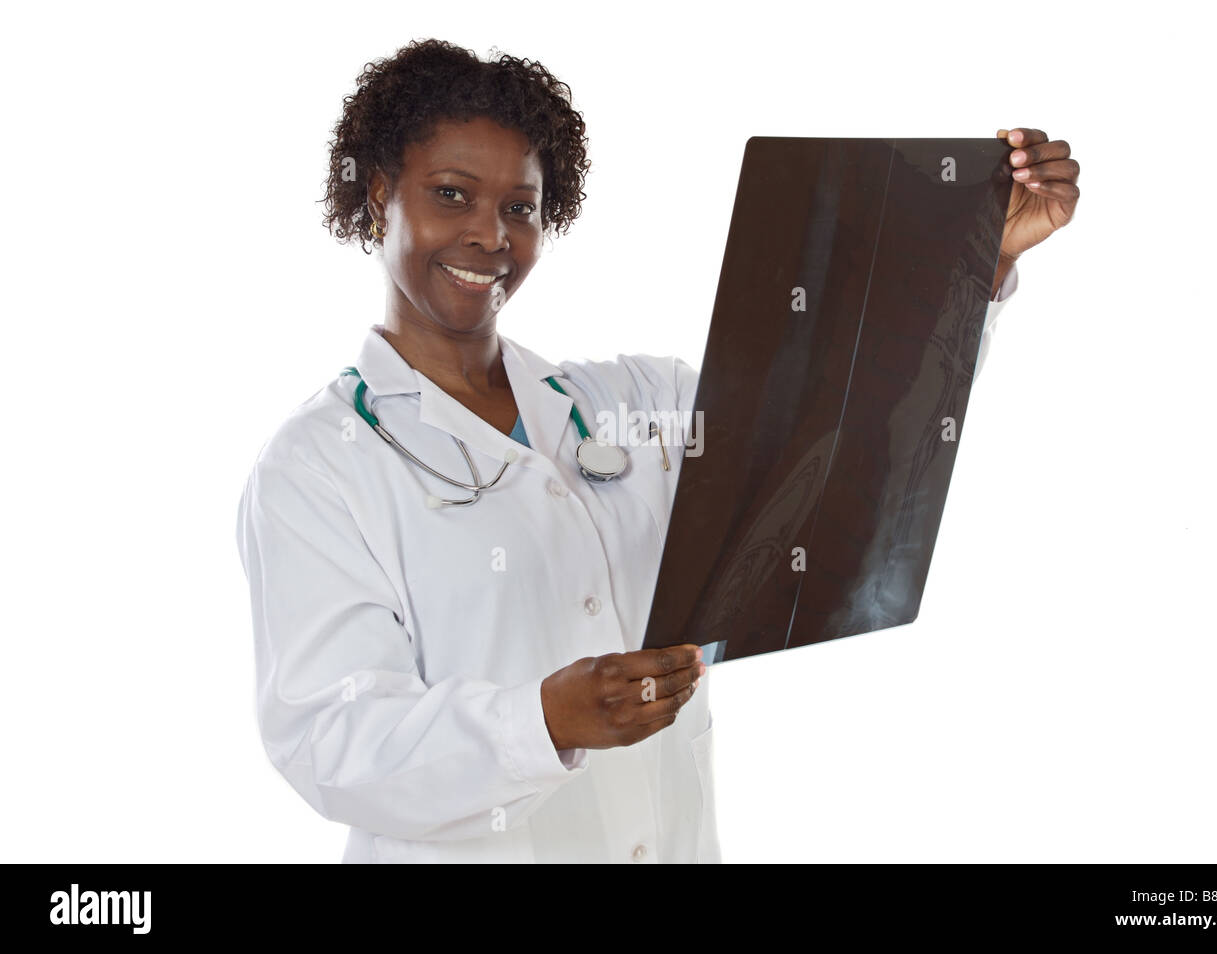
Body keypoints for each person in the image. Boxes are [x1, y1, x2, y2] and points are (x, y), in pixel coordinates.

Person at [235, 37, 1079, 864]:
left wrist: (977, 257)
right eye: (451, 195)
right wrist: (546, 721)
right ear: (379, 192)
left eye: (520, 207)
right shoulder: (316, 467)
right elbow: (333, 738)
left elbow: (843, 445)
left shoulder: (638, 406)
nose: (491, 236)